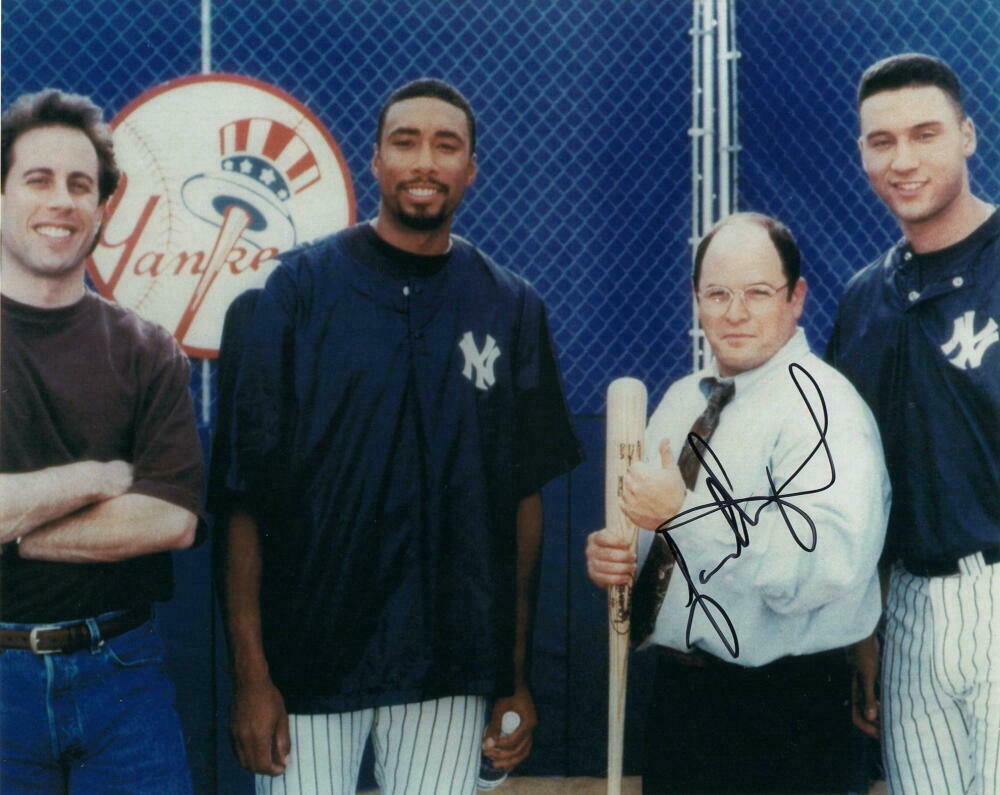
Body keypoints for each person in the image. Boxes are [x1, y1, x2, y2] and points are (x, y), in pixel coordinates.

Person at [211, 78, 582, 794]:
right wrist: (253, 677)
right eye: (405, 142)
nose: (425, 162)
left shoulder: (509, 303)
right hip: (311, 663)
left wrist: (511, 675)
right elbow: (245, 497)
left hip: (447, 663)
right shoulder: (298, 290)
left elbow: (521, 503)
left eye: (447, 146)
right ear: (374, 161)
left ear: (472, 168)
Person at [586, 212, 890, 793]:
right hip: (683, 700)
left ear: (796, 298)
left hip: (787, 710)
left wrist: (684, 515)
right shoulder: (683, 399)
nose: (735, 312)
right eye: (718, 294)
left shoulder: (825, 409)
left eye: (758, 293)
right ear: (696, 301)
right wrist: (617, 557)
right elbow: (658, 545)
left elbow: (823, 571)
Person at [0, 90, 203, 793]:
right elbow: (132, 499)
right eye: (38, 179)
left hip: (123, 673)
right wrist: (95, 478)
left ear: (103, 209)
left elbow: (171, 518)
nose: (62, 200)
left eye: (80, 184)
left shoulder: (146, 350)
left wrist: (20, 529)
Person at [827, 53, 999, 795]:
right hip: (906, 608)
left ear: (967, 134)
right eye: (880, 140)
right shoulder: (866, 298)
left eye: (924, 133)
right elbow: (858, 488)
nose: (902, 159)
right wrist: (868, 627)